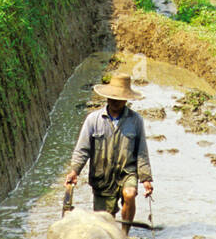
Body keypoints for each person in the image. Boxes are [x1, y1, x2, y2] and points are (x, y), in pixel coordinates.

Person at [65, 73, 154, 229]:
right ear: (106, 97)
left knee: (130, 194)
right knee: (104, 225)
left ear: (126, 99)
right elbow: (82, 149)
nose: (115, 101)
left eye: (119, 99)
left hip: (127, 172)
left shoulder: (135, 121)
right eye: (112, 97)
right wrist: (74, 171)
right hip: (102, 177)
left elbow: (141, 152)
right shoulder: (93, 120)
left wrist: (146, 179)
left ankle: (124, 235)